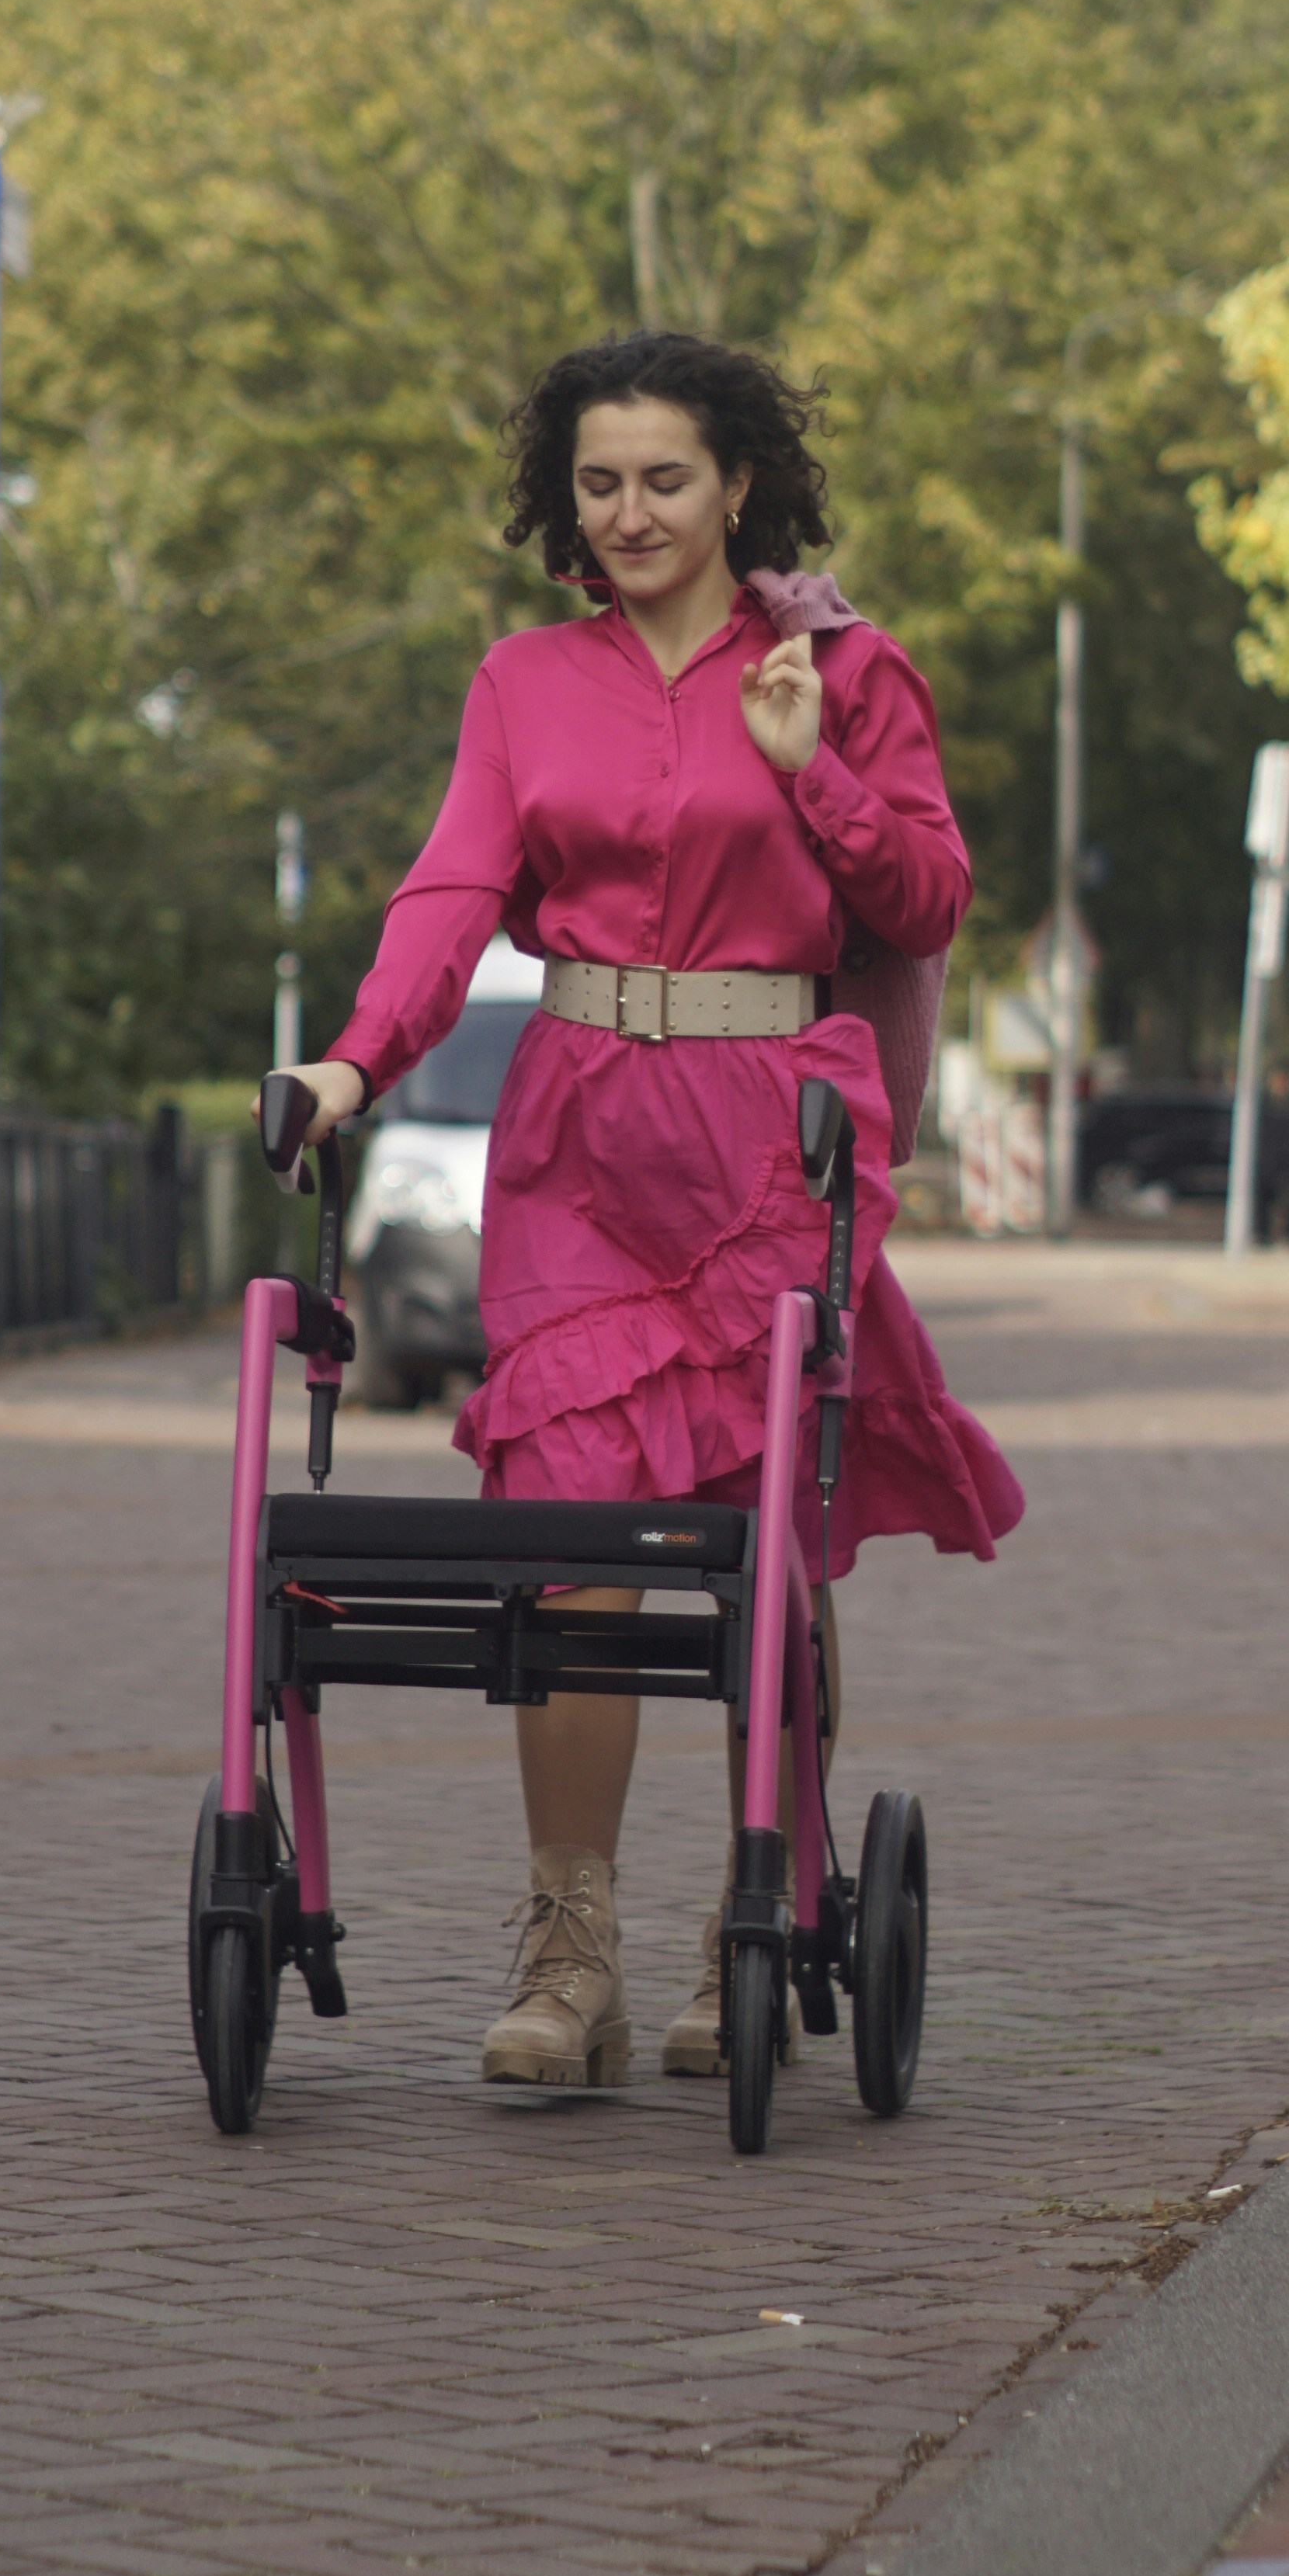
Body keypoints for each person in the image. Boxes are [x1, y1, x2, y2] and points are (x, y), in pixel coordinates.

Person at [278, 330, 1024, 2088]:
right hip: (578, 1146)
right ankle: (569, 1954)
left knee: (762, 1538)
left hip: (773, 1135)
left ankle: (746, 1916)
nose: (629, 512)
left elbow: (926, 892)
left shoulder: (843, 670)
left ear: (738, 483)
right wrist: (348, 1068)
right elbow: (452, 892)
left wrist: (806, 767)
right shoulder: (524, 680)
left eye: (664, 480)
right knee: (574, 1553)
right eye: (599, 482)